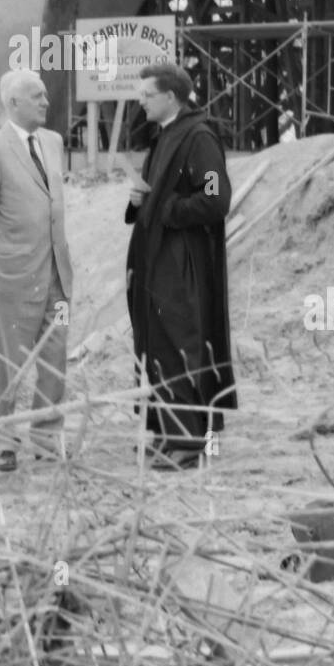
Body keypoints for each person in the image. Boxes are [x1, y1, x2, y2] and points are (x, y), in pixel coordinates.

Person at [125, 62, 236, 469]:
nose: (140, 102)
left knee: (180, 342)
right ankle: (168, 430)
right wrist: (139, 203)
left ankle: (188, 439)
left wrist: (164, 207)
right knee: (159, 343)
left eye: (146, 95)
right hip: (160, 259)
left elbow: (215, 199)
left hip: (182, 263)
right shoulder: (167, 135)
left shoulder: (199, 138)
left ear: (170, 97)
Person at [0, 69, 74, 472]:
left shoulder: (53, 142)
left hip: (56, 272)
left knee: (55, 359)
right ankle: (3, 442)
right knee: (10, 364)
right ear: (12, 103)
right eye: (36, 96)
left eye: (46, 96)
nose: (46, 102)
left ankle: (47, 436)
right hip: (12, 277)